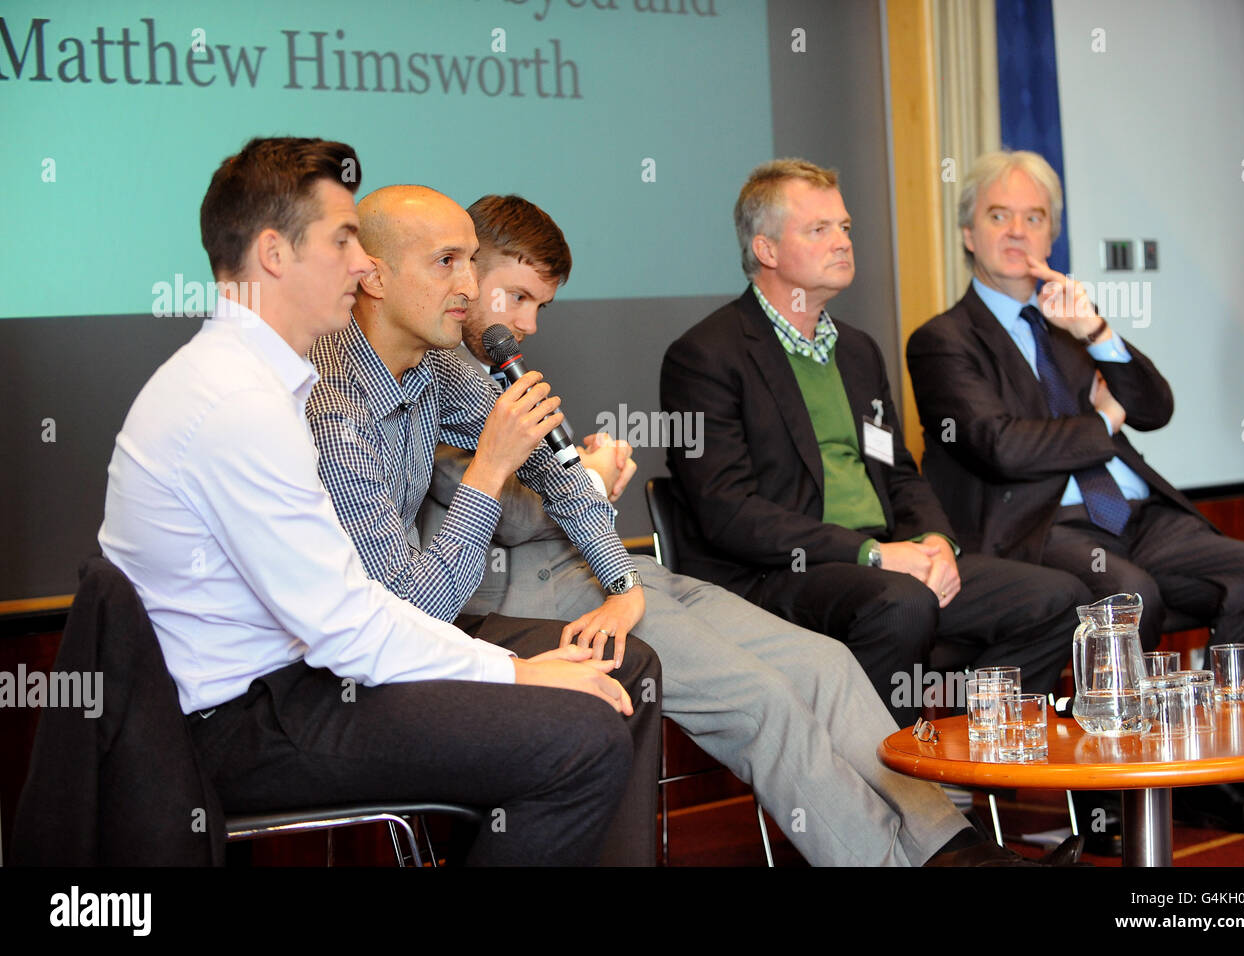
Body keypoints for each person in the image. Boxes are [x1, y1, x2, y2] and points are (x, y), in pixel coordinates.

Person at [405, 193, 1082, 866]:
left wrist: (583, 473)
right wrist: (579, 475)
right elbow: (495, 506)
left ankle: (955, 849)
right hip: (527, 597)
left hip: (613, 568)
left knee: (826, 665)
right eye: (514, 297)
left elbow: (545, 487)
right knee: (762, 698)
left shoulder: (488, 368)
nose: (523, 324)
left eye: (537, 306)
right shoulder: (429, 371)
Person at [98, 137, 636, 866]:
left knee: (605, 682)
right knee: (584, 733)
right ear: (274, 254)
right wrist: (517, 672)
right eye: (343, 239)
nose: (361, 264)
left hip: (297, 677)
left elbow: (349, 605)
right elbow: (348, 626)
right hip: (243, 720)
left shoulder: (255, 382)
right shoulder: (239, 405)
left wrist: (585, 613)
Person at [905, 148, 1244, 838]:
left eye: (1035, 218)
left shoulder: (1067, 327)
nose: (1019, 232)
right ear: (968, 233)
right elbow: (1001, 447)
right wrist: (1102, 419)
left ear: (1051, 237)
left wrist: (1097, 331)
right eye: (1001, 216)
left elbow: (1155, 406)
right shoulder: (942, 340)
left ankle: (1218, 782)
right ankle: (1106, 798)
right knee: (1130, 594)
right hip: (1038, 525)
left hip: (1133, 512)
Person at [660, 158, 1088, 729]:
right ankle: (886, 794)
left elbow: (899, 472)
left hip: (884, 559)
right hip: (774, 576)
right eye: (819, 230)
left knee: (1058, 599)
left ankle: (975, 762)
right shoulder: (706, 356)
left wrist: (936, 542)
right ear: (765, 250)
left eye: (845, 227)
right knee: (902, 603)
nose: (841, 242)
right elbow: (728, 513)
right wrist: (874, 555)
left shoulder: (858, 351)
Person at [304, 184, 660, 866]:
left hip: (411, 630)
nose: (469, 285)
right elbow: (410, 613)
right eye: (446, 262)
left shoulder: (438, 364)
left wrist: (622, 582)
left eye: (472, 261)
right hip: (351, 668)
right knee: (574, 723)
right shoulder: (334, 407)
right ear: (372, 276)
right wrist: (490, 468)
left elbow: (556, 465)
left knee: (626, 660)